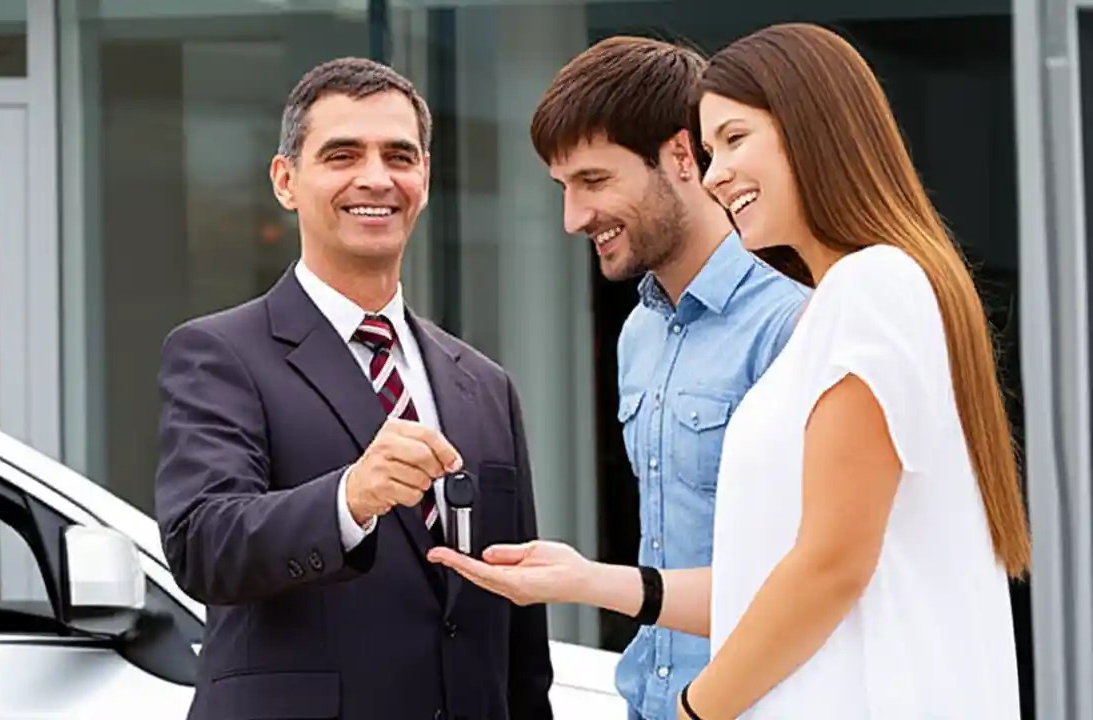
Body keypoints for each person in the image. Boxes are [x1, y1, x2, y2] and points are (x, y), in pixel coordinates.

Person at [430, 22, 1032, 720]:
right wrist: (585, 581)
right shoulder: (839, 302)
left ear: (814, 128)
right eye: (714, 149)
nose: (719, 174)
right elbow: (769, 575)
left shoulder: (868, 290)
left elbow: (828, 568)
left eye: (735, 141)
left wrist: (693, 711)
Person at [156, 57, 554, 720]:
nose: (375, 177)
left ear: (424, 178)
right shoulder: (220, 354)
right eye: (342, 154)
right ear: (286, 180)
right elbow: (204, 544)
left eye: (399, 156)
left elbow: (518, 632)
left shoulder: (485, 386)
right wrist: (350, 499)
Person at [525, 36, 807, 718]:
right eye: (564, 189)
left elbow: (808, 579)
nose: (573, 218)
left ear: (683, 155)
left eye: (595, 181)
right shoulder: (639, 334)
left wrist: (591, 582)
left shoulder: (794, 325)